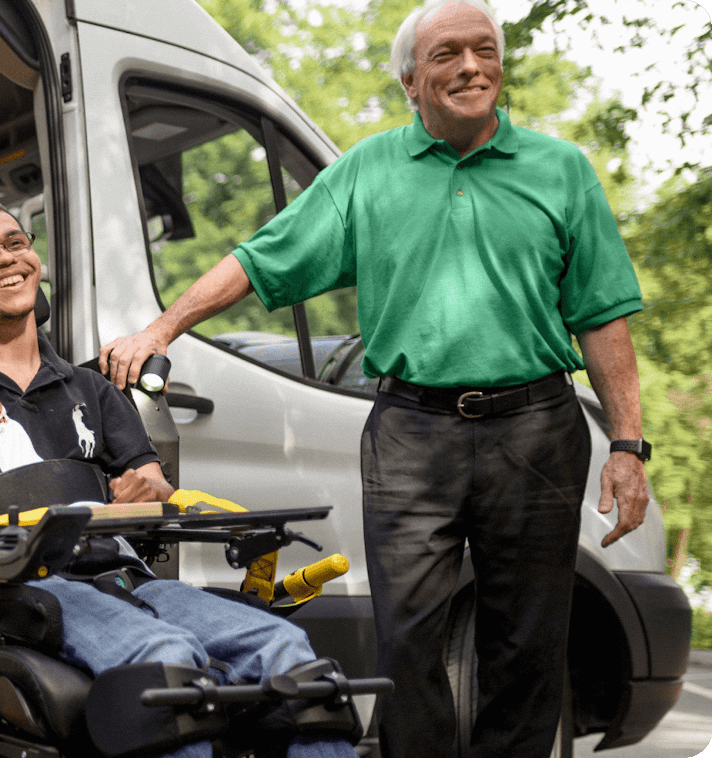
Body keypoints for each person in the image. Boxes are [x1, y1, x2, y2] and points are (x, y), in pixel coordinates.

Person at [99, 2, 651, 757]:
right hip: (411, 435)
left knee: (526, 649)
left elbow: (603, 316)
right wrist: (159, 329)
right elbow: (264, 258)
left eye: (484, 51)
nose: (470, 68)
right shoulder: (368, 170)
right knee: (409, 646)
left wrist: (627, 444)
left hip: (535, 429)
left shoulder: (562, 172)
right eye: (447, 55)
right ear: (410, 82)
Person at [0, 197, 359, 758]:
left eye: (15, 243)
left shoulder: (92, 389)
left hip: (127, 581)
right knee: (166, 662)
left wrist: (154, 489)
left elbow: (151, 487)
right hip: (14, 589)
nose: (6, 259)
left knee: (286, 650)